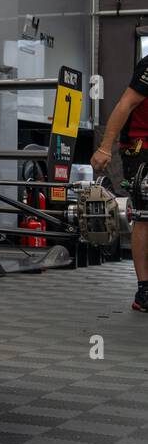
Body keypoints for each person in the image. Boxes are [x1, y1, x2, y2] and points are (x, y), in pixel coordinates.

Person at [92, 54, 148, 312]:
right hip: (142, 147)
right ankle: (144, 290)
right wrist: (105, 148)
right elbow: (126, 104)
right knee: (146, 216)